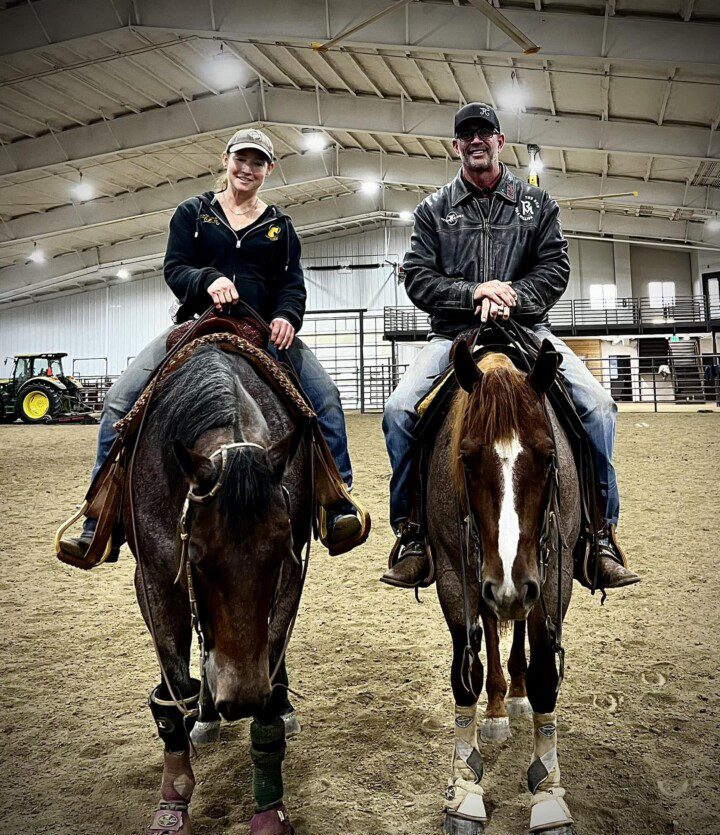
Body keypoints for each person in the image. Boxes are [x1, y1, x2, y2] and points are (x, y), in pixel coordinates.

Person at [61, 128, 363, 559]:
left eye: (258, 162)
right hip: (196, 325)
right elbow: (175, 268)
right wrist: (208, 279)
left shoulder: (281, 225)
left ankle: (335, 501)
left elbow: (292, 285)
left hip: (262, 329)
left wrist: (286, 317)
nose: (248, 168)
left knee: (326, 398)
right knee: (117, 401)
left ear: (269, 170)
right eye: (242, 159)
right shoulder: (193, 213)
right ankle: (100, 512)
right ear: (226, 160)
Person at [381, 102, 639, 591]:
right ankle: (412, 532)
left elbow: (554, 267)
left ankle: (599, 534)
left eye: (486, 133)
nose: (476, 141)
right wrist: (472, 293)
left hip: (528, 329)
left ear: (500, 142)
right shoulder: (434, 210)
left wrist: (515, 297)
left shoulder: (535, 204)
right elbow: (417, 276)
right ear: (456, 146)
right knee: (397, 411)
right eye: (467, 135)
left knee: (600, 408)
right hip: (454, 335)